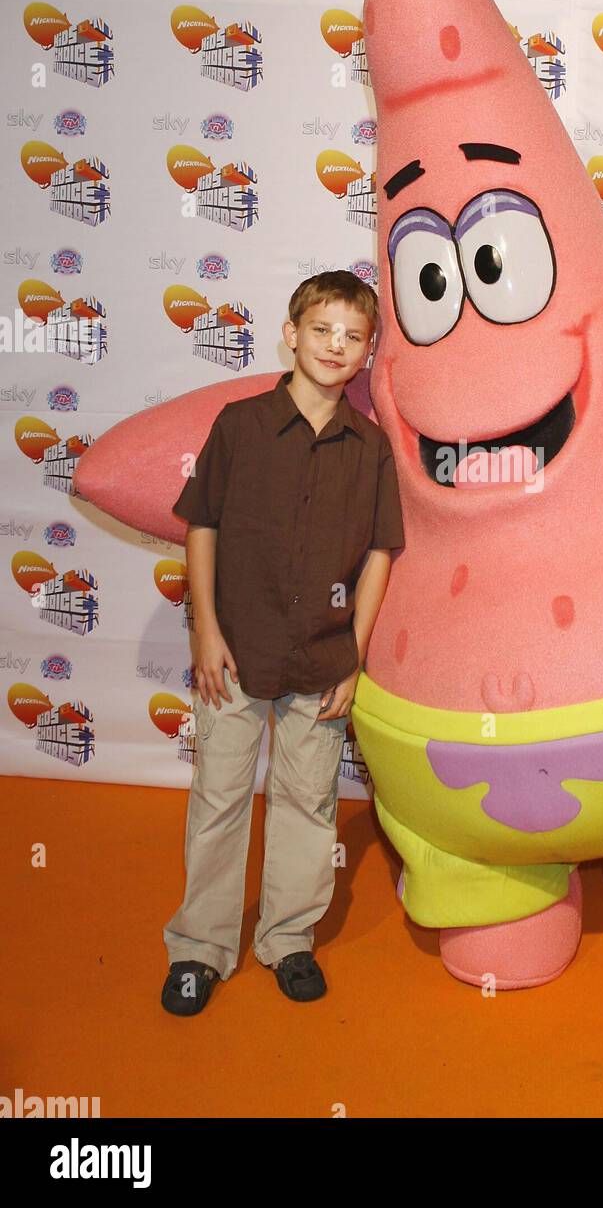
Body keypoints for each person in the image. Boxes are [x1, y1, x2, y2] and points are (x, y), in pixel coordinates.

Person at [160, 271, 404, 1015]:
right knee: (219, 799)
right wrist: (206, 631)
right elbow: (202, 525)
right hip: (234, 652)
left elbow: (379, 554)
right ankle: (199, 949)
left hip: (323, 659)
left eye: (353, 337)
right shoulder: (239, 425)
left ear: (367, 352)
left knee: (309, 803)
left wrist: (354, 655)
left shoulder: (372, 447)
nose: (336, 346)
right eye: (322, 330)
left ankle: (289, 938)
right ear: (292, 334)